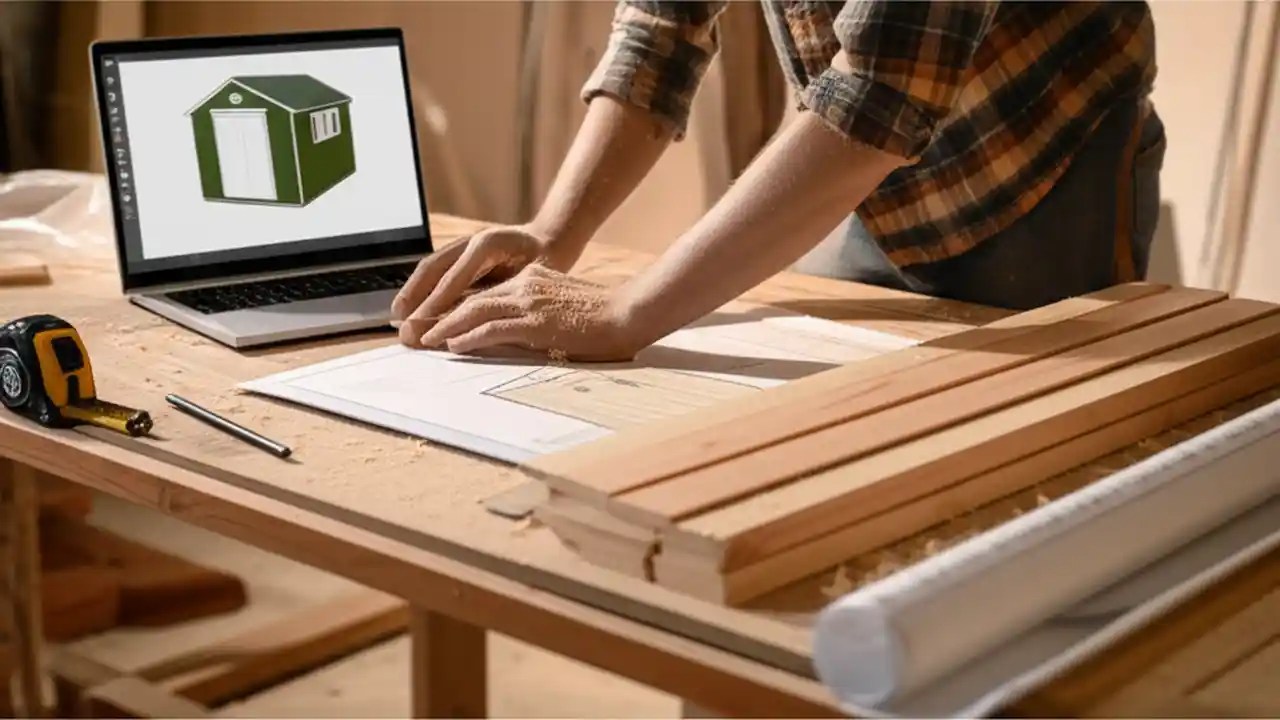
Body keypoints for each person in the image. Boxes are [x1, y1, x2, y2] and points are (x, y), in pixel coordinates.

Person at [390, 1, 1166, 362]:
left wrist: (631, 308)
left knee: (1015, 481)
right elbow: (663, 28)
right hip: (864, 170)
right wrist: (551, 235)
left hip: (1038, 157)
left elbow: (879, 97)